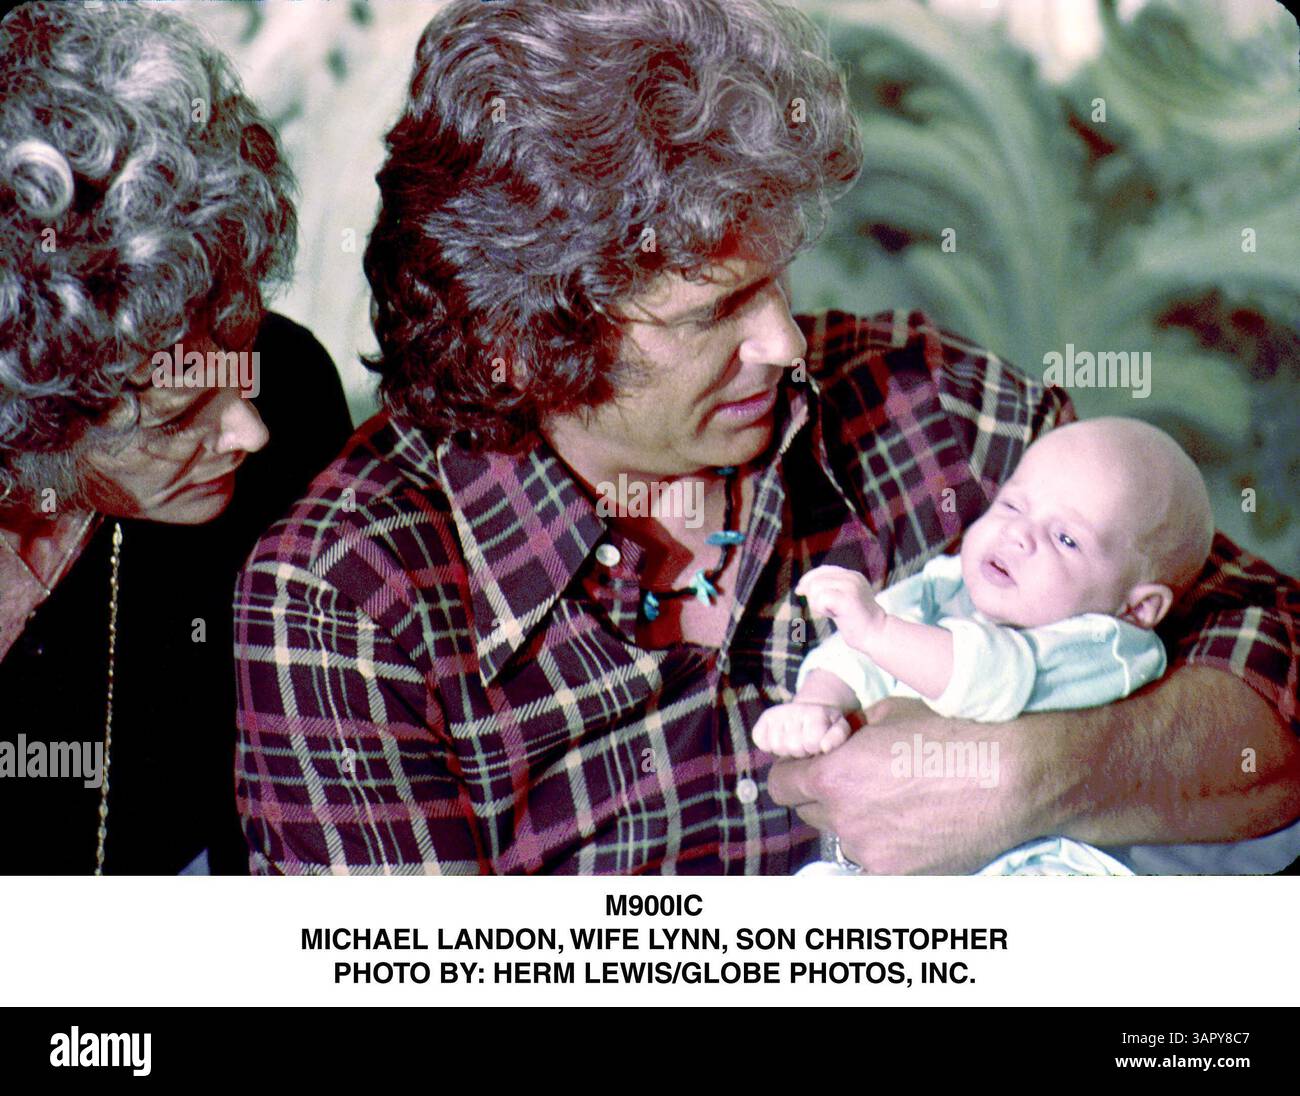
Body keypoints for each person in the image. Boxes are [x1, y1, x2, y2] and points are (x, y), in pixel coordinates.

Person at [232, 0, 1299, 875]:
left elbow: (1274, 675)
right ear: (522, 338)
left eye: (778, 279)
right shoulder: (345, 595)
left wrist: (1037, 774)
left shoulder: (924, 404)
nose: (786, 342)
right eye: (713, 312)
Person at [0, 1, 352, 874]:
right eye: (175, 416)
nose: (248, 429)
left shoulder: (291, 393)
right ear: (26, 426)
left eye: (234, 356)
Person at [760, 418, 1300, 874]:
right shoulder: (948, 585)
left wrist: (876, 629)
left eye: (1067, 539)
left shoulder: (1106, 644)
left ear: (1137, 607)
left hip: (1046, 867)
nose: (1018, 536)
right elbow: (858, 653)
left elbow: (987, 676)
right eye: (1013, 506)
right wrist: (820, 701)